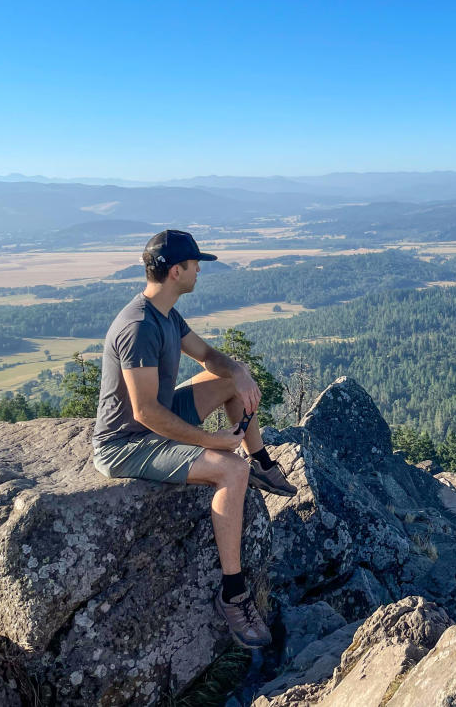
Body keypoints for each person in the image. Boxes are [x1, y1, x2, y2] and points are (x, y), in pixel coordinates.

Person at [91, 229, 297, 649]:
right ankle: (233, 594)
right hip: (127, 442)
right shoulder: (138, 327)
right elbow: (145, 412)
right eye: (195, 264)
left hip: (156, 420)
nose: (200, 269)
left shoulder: (166, 313)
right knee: (230, 470)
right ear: (175, 271)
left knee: (230, 380)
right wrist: (211, 441)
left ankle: (262, 460)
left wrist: (238, 372)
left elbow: (207, 357)